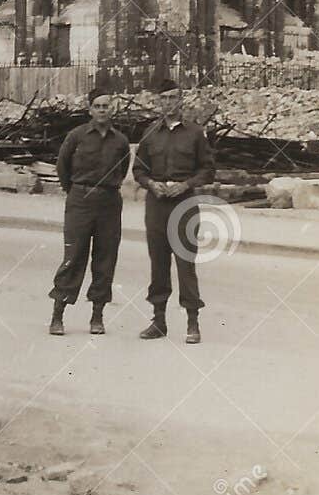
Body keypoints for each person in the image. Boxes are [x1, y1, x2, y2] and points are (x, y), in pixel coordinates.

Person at [133, 81, 215, 344]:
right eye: (164, 99)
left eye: (173, 98)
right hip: (156, 204)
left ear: (181, 101)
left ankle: (193, 323)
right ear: (159, 102)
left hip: (184, 204)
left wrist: (185, 185)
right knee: (158, 262)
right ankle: (159, 322)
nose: (169, 103)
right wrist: (151, 184)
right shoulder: (150, 133)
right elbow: (139, 170)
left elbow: (207, 170)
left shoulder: (195, 133)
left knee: (185, 263)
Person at [49, 91, 130, 337]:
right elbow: (62, 166)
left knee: (105, 259)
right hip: (80, 200)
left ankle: (97, 316)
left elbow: (123, 168)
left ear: (112, 109)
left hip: (109, 203)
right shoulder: (77, 136)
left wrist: (106, 190)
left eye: (106, 106)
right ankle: (57, 315)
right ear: (90, 110)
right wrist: (75, 191)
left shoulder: (121, 141)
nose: (102, 110)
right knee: (73, 256)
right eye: (97, 106)